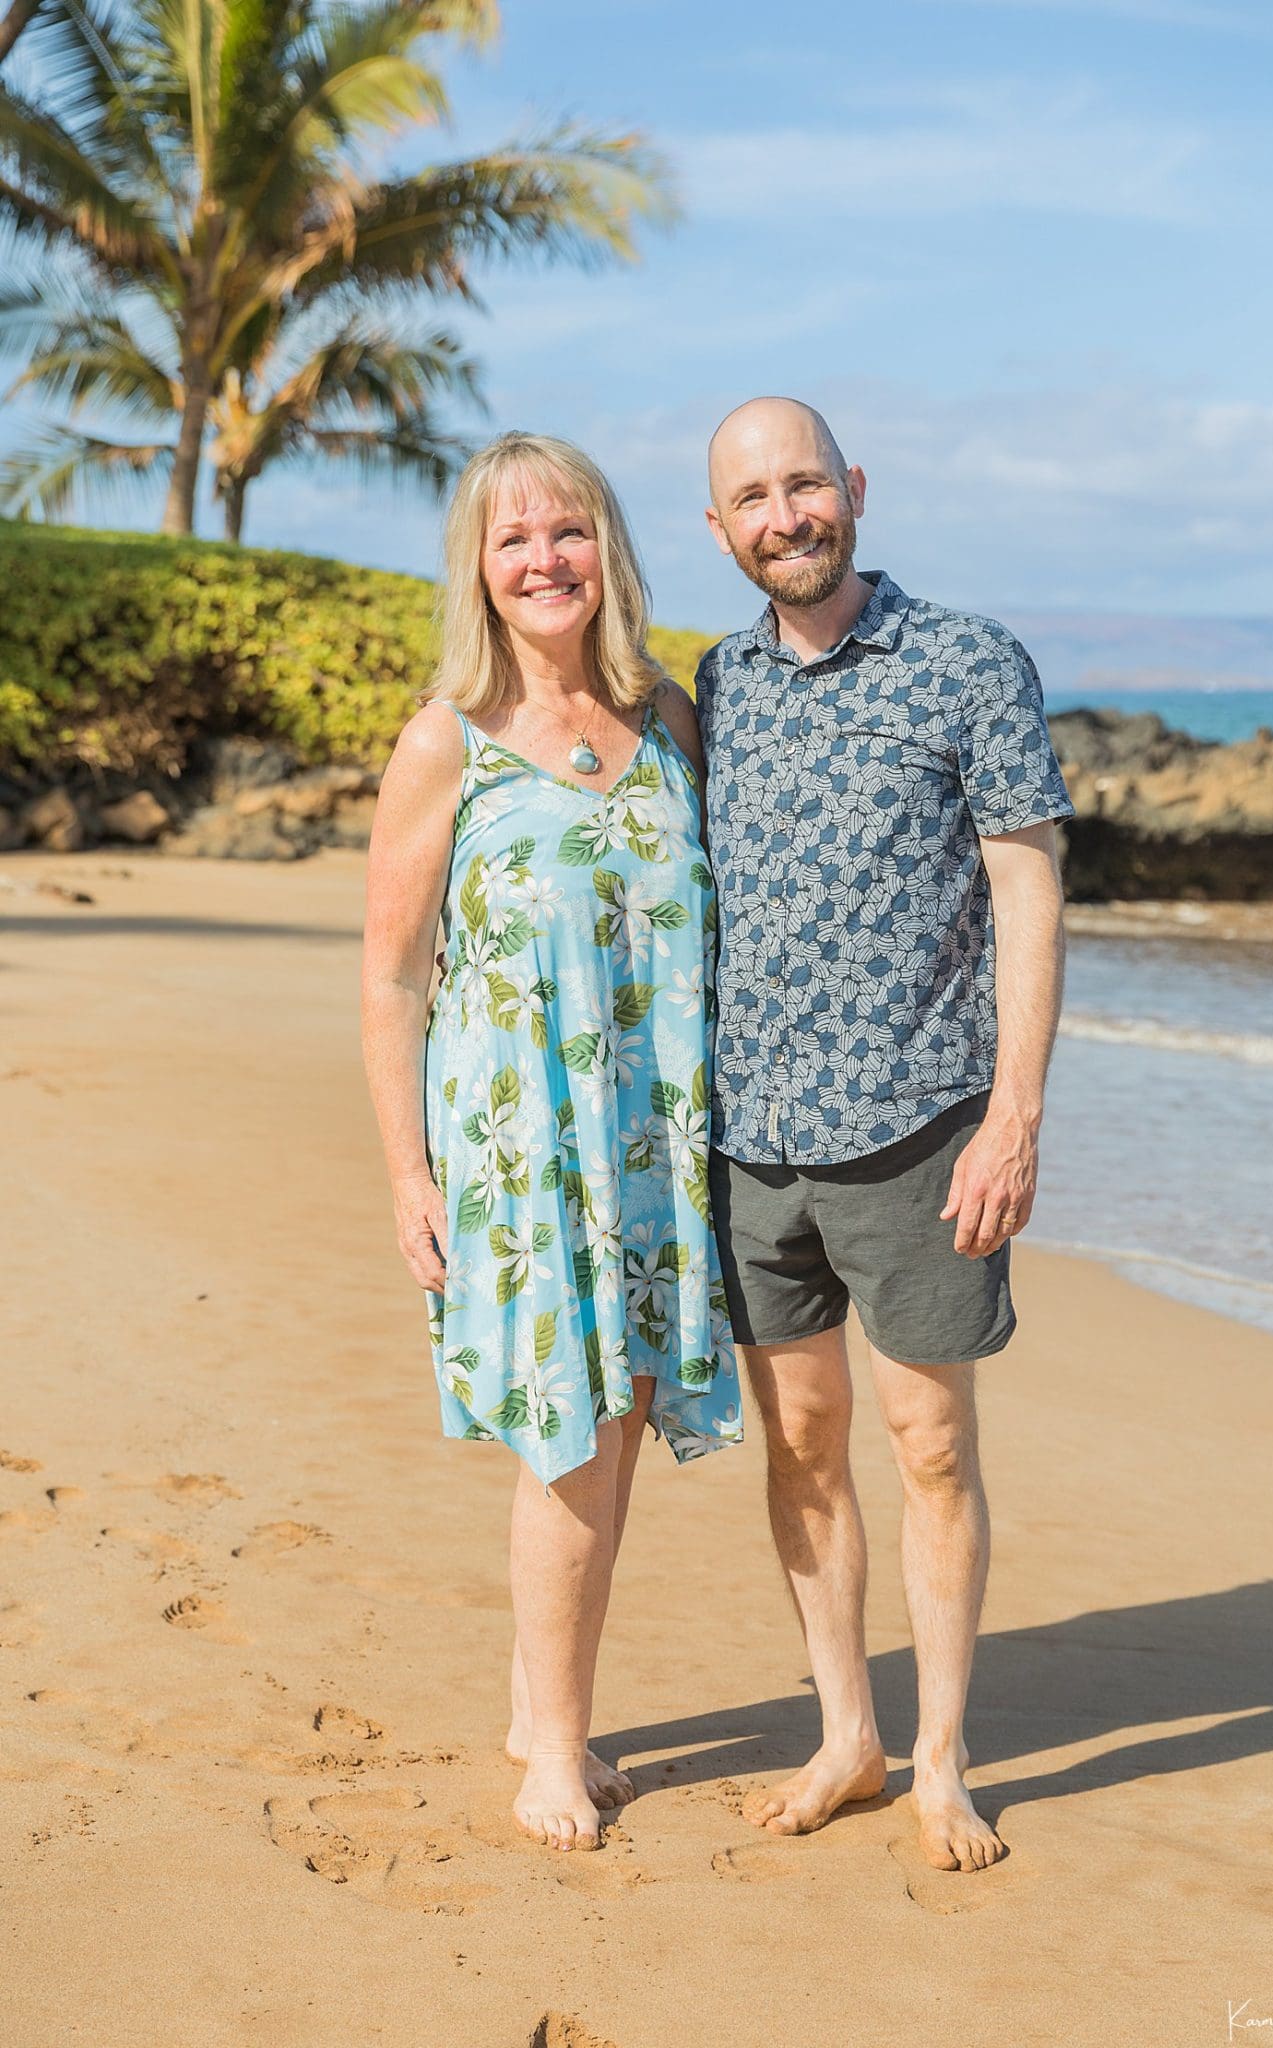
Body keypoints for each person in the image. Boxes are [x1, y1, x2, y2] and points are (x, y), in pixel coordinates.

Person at [695, 396, 1075, 1872]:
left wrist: (1013, 1119)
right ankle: (847, 1733)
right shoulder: (712, 686)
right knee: (799, 1445)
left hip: (921, 1130)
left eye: (806, 483)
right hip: (748, 1137)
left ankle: (939, 1761)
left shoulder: (967, 662)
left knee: (925, 1444)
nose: (785, 515)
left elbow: (1026, 891)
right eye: (753, 498)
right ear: (717, 529)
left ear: (852, 488)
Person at [361, 431, 740, 1854]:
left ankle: (538, 1704)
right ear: (478, 565)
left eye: (566, 531)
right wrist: (408, 1175)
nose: (543, 560)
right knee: (568, 1434)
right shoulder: (443, 736)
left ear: (608, 547)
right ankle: (556, 1754)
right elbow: (394, 980)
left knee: (618, 1417)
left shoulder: (669, 719)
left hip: (658, 1140)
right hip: (523, 1154)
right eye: (513, 539)